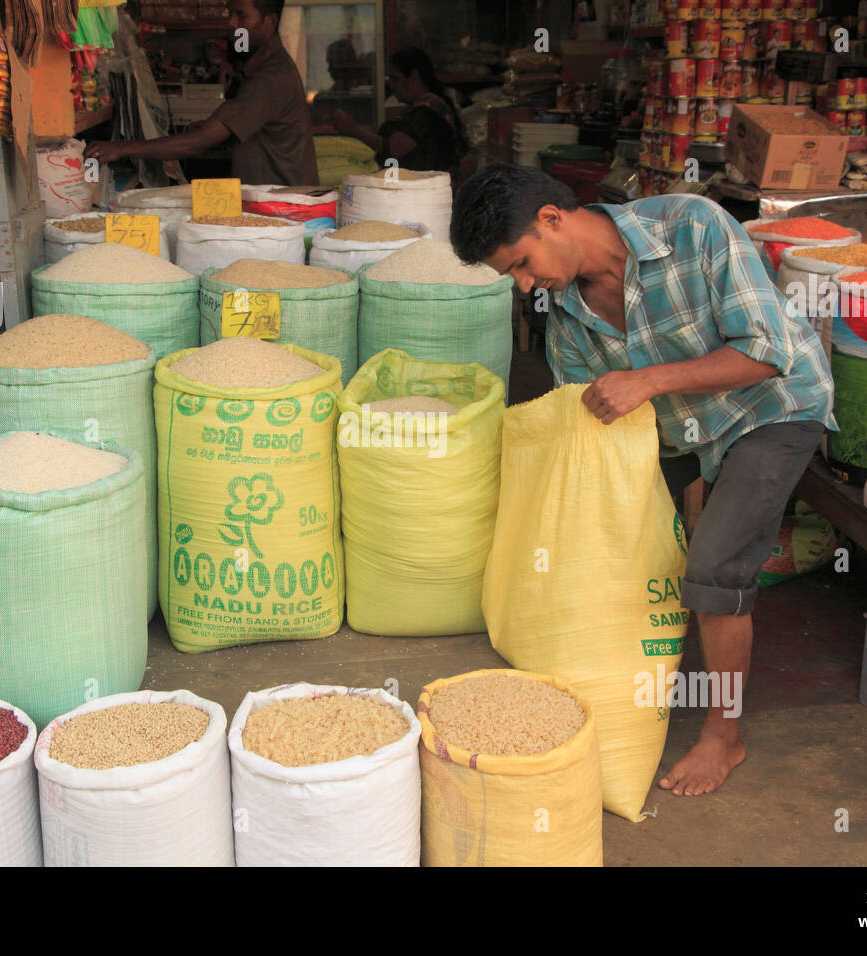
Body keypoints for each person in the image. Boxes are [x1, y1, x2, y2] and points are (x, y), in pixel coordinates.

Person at [450, 164, 836, 797]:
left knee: (714, 564)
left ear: (552, 219)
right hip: (676, 427)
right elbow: (587, 409)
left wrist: (648, 380)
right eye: (511, 277)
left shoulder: (693, 225)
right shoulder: (568, 315)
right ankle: (616, 668)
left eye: (521, 263)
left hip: (769, 407)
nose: (525, 285)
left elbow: (768, 351)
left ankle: (723, 735)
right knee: (601, 532)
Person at [85, 0, 318, 187]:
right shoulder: (256, 60)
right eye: (230, 13)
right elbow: (240, 51)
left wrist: (120, 148)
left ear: (270, 22)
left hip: (284, 207)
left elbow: (198, 142)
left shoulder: (271, 78)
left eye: (241, 15)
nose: (231, 22)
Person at [331, 47, 463, 175]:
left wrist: (354, 130)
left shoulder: (426, 112)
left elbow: (393, 149)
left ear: (414, 78)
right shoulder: (424, 108)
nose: (391, 85)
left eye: (395, 79)